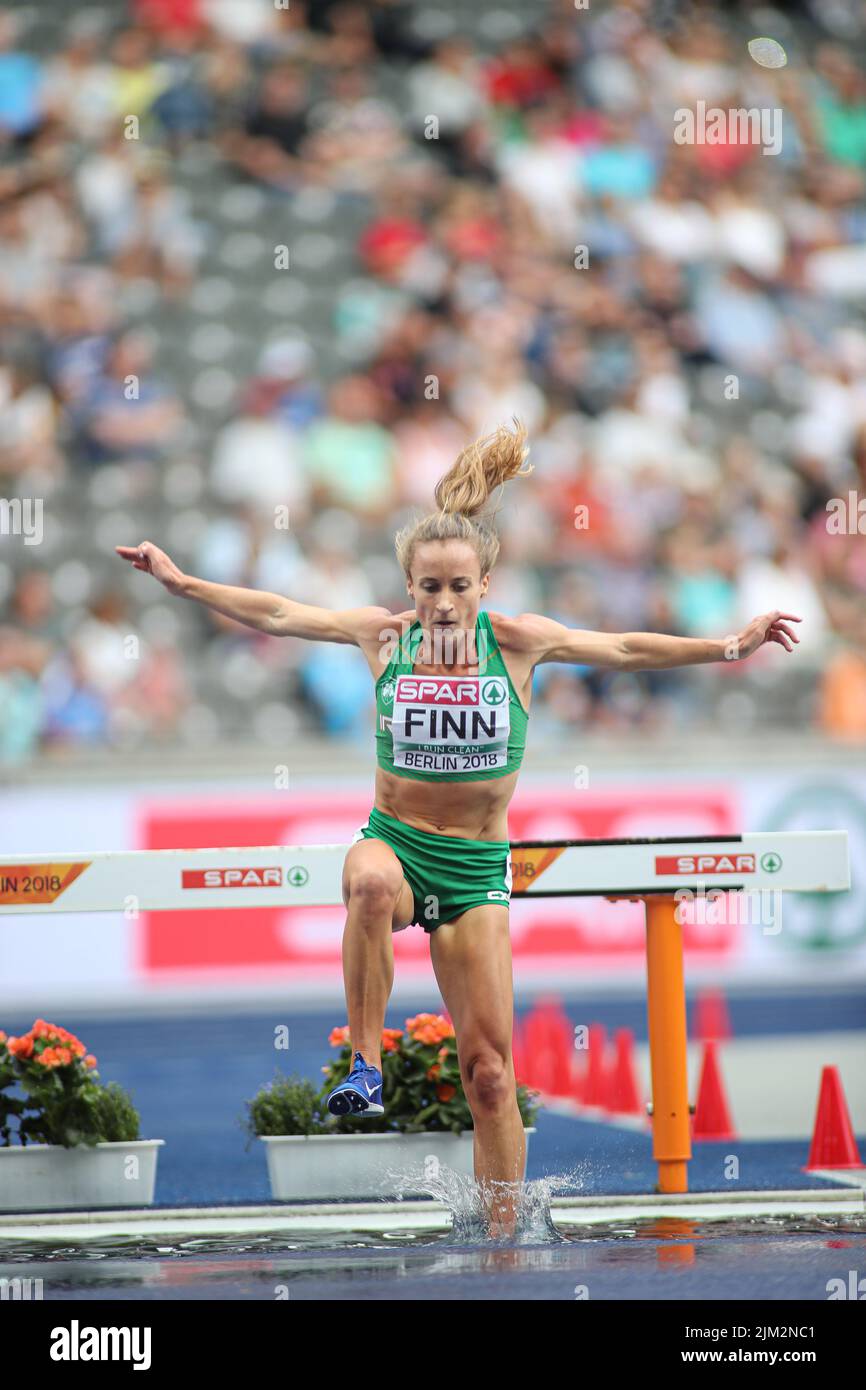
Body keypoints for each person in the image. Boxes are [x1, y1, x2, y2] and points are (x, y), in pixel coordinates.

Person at [115, 418, 802, 1235]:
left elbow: (623, 646)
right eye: (428, 587)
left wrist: (732, 644)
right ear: (409, 586)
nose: (442, 603)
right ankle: (364, 1065)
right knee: (367, 881)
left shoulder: (518, 643)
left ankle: (503, 1235)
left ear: (486, 584)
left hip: (476, 870)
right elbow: (276, 611)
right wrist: (185, 585)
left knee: (489, 1076)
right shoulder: (382, 637)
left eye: (458, 587)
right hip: (397, 845)